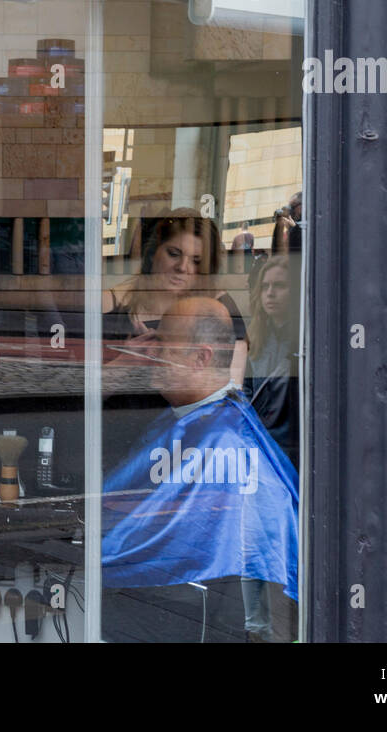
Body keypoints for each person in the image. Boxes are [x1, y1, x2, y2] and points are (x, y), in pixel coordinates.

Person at [100, 298, 298, 642]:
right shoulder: (187, 422)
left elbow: (252, 557)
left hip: (187, 617)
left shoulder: (228, 440)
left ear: (201, 357)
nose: (150, 354)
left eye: (163, 344)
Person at [103, 208, 248, 385]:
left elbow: (229, 393)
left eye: (196, 261)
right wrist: (126, 362)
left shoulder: (221, 308)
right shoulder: (111, 303)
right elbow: (81, 393)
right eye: (173, 254)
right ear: (153, 253)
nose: (182, 267)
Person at [246, 256, 300, 469]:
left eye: (279, 286)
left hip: (291, 446)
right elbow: (246, 390)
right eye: (265, 286)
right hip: (259, 443)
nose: (270, 293)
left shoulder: (303, 339)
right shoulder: (256, 336)